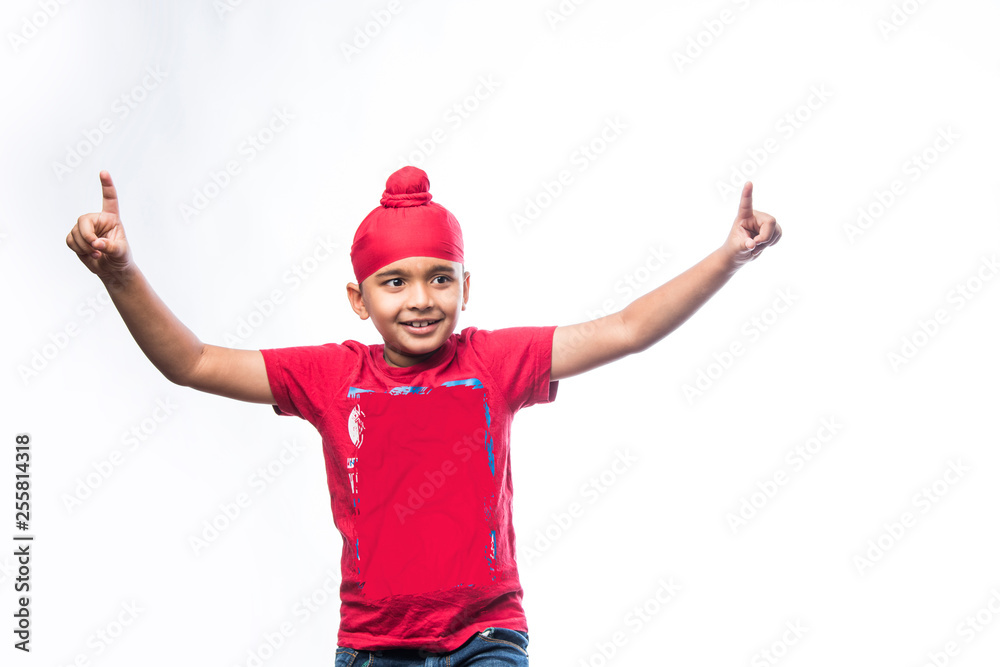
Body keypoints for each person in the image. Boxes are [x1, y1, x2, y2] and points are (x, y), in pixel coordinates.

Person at [66, 165, 780, 666]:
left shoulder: (494, 362)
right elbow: (190, 362)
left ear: (466, 287)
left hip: (487, 639)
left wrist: (727, 259)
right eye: (395, 281)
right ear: (358, 297)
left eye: (441, 278)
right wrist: (120, 273)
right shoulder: (330, 376)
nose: (421, 298)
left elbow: (625, 327)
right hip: (375, 648)